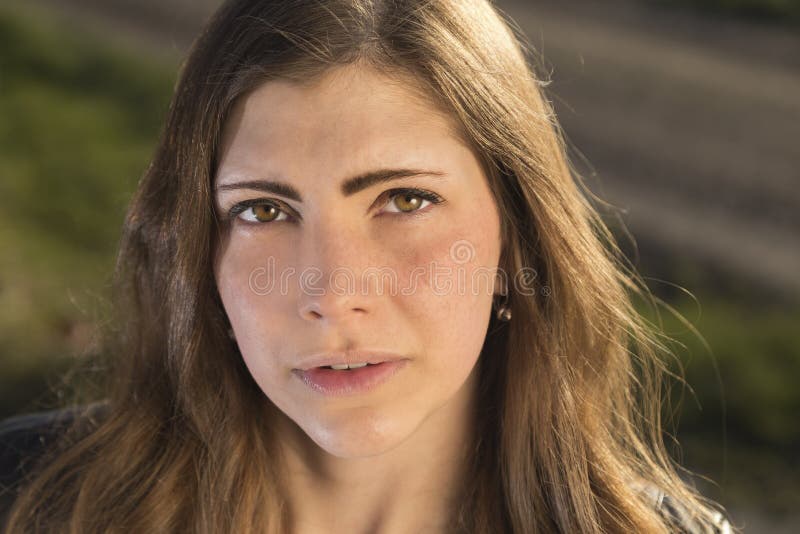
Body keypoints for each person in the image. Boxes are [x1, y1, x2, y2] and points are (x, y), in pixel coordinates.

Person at [0, 0, 733, 532]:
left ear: (516, 238)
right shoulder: (25, 500)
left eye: (405, 200)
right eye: (263, 210)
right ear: (198, 250)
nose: (333, 293)